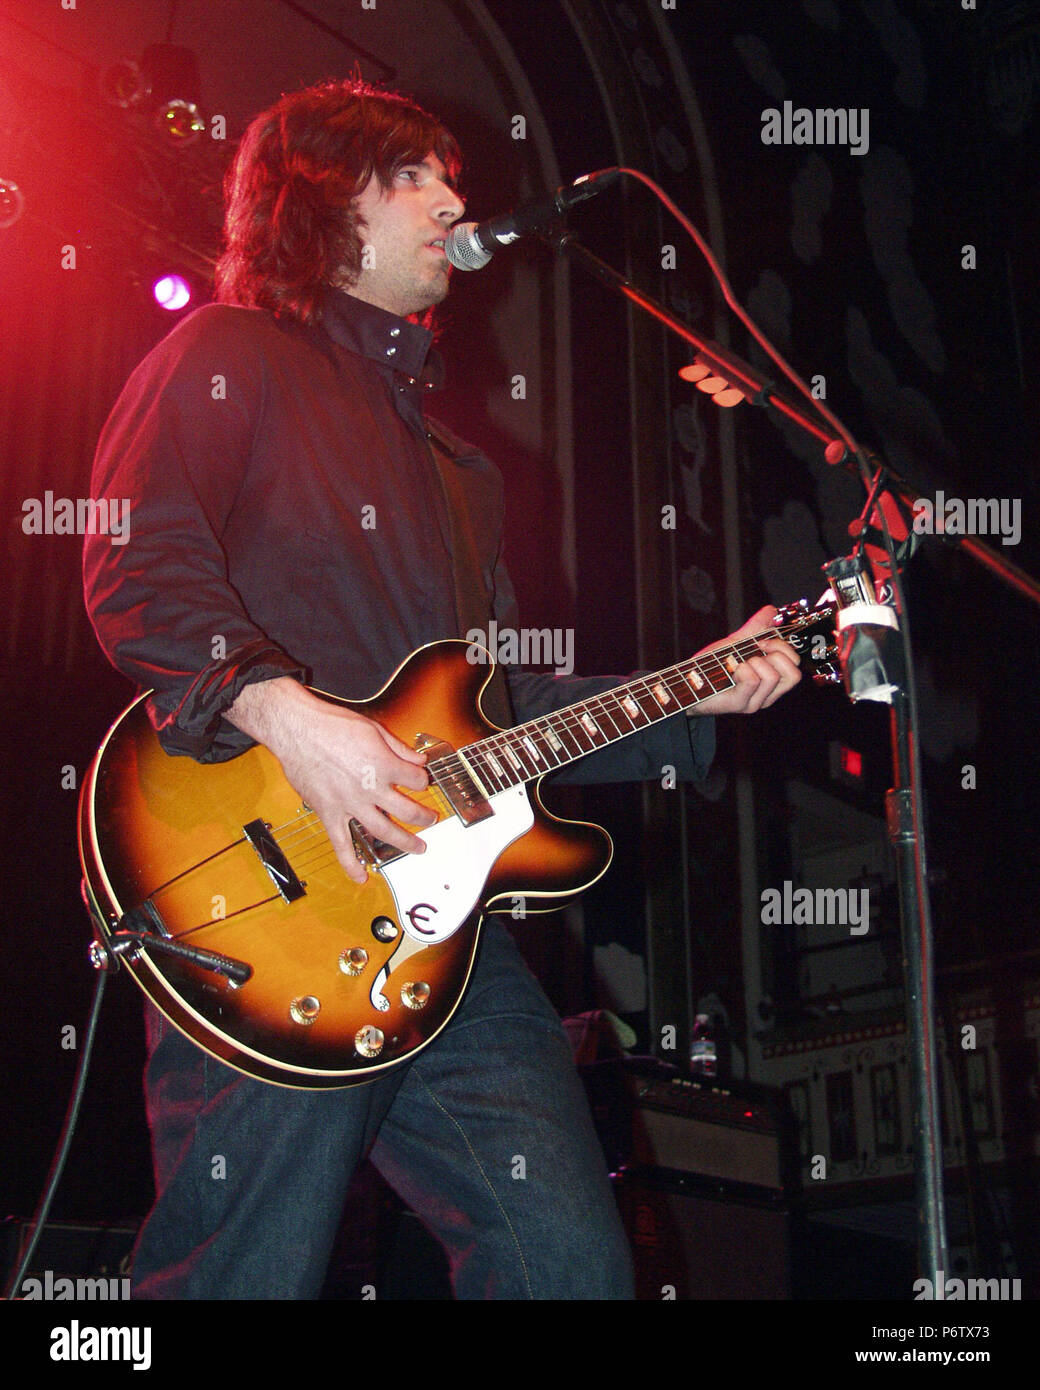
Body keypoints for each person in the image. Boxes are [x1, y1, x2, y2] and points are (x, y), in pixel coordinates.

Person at [83, 78, 801, 1300]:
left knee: (568, 1266)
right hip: (264, 904)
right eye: (411, 173)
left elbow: (494, 724)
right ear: (319, 202)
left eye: (449, 175)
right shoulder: (228, 353)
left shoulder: (459, 467)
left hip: (446, 942)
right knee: (245, 1270)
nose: (452, 199)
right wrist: (285, 713)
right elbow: (132, 560)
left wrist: (690, 694)